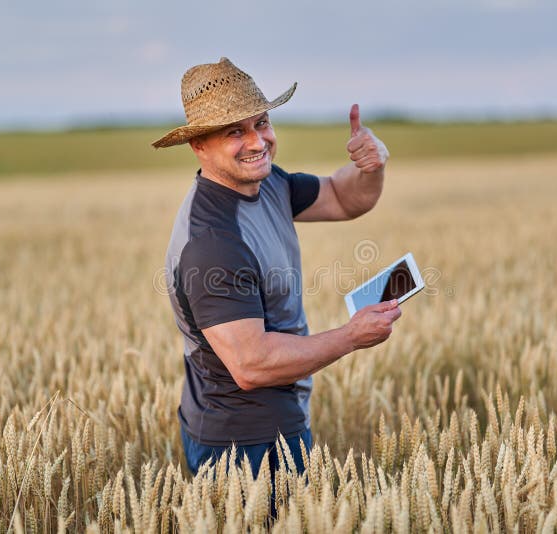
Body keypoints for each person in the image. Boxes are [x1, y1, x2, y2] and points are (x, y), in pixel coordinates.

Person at [154, 57, 402, 478]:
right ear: (199, 146)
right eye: (235, 131)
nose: (257, 141)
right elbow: (252, 365)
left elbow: (345, 199)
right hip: (239, 447)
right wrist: (351, 337)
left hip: (280, 424)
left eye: (261, 123)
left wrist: (370, 168)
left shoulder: (268, 184)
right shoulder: (213, 243)